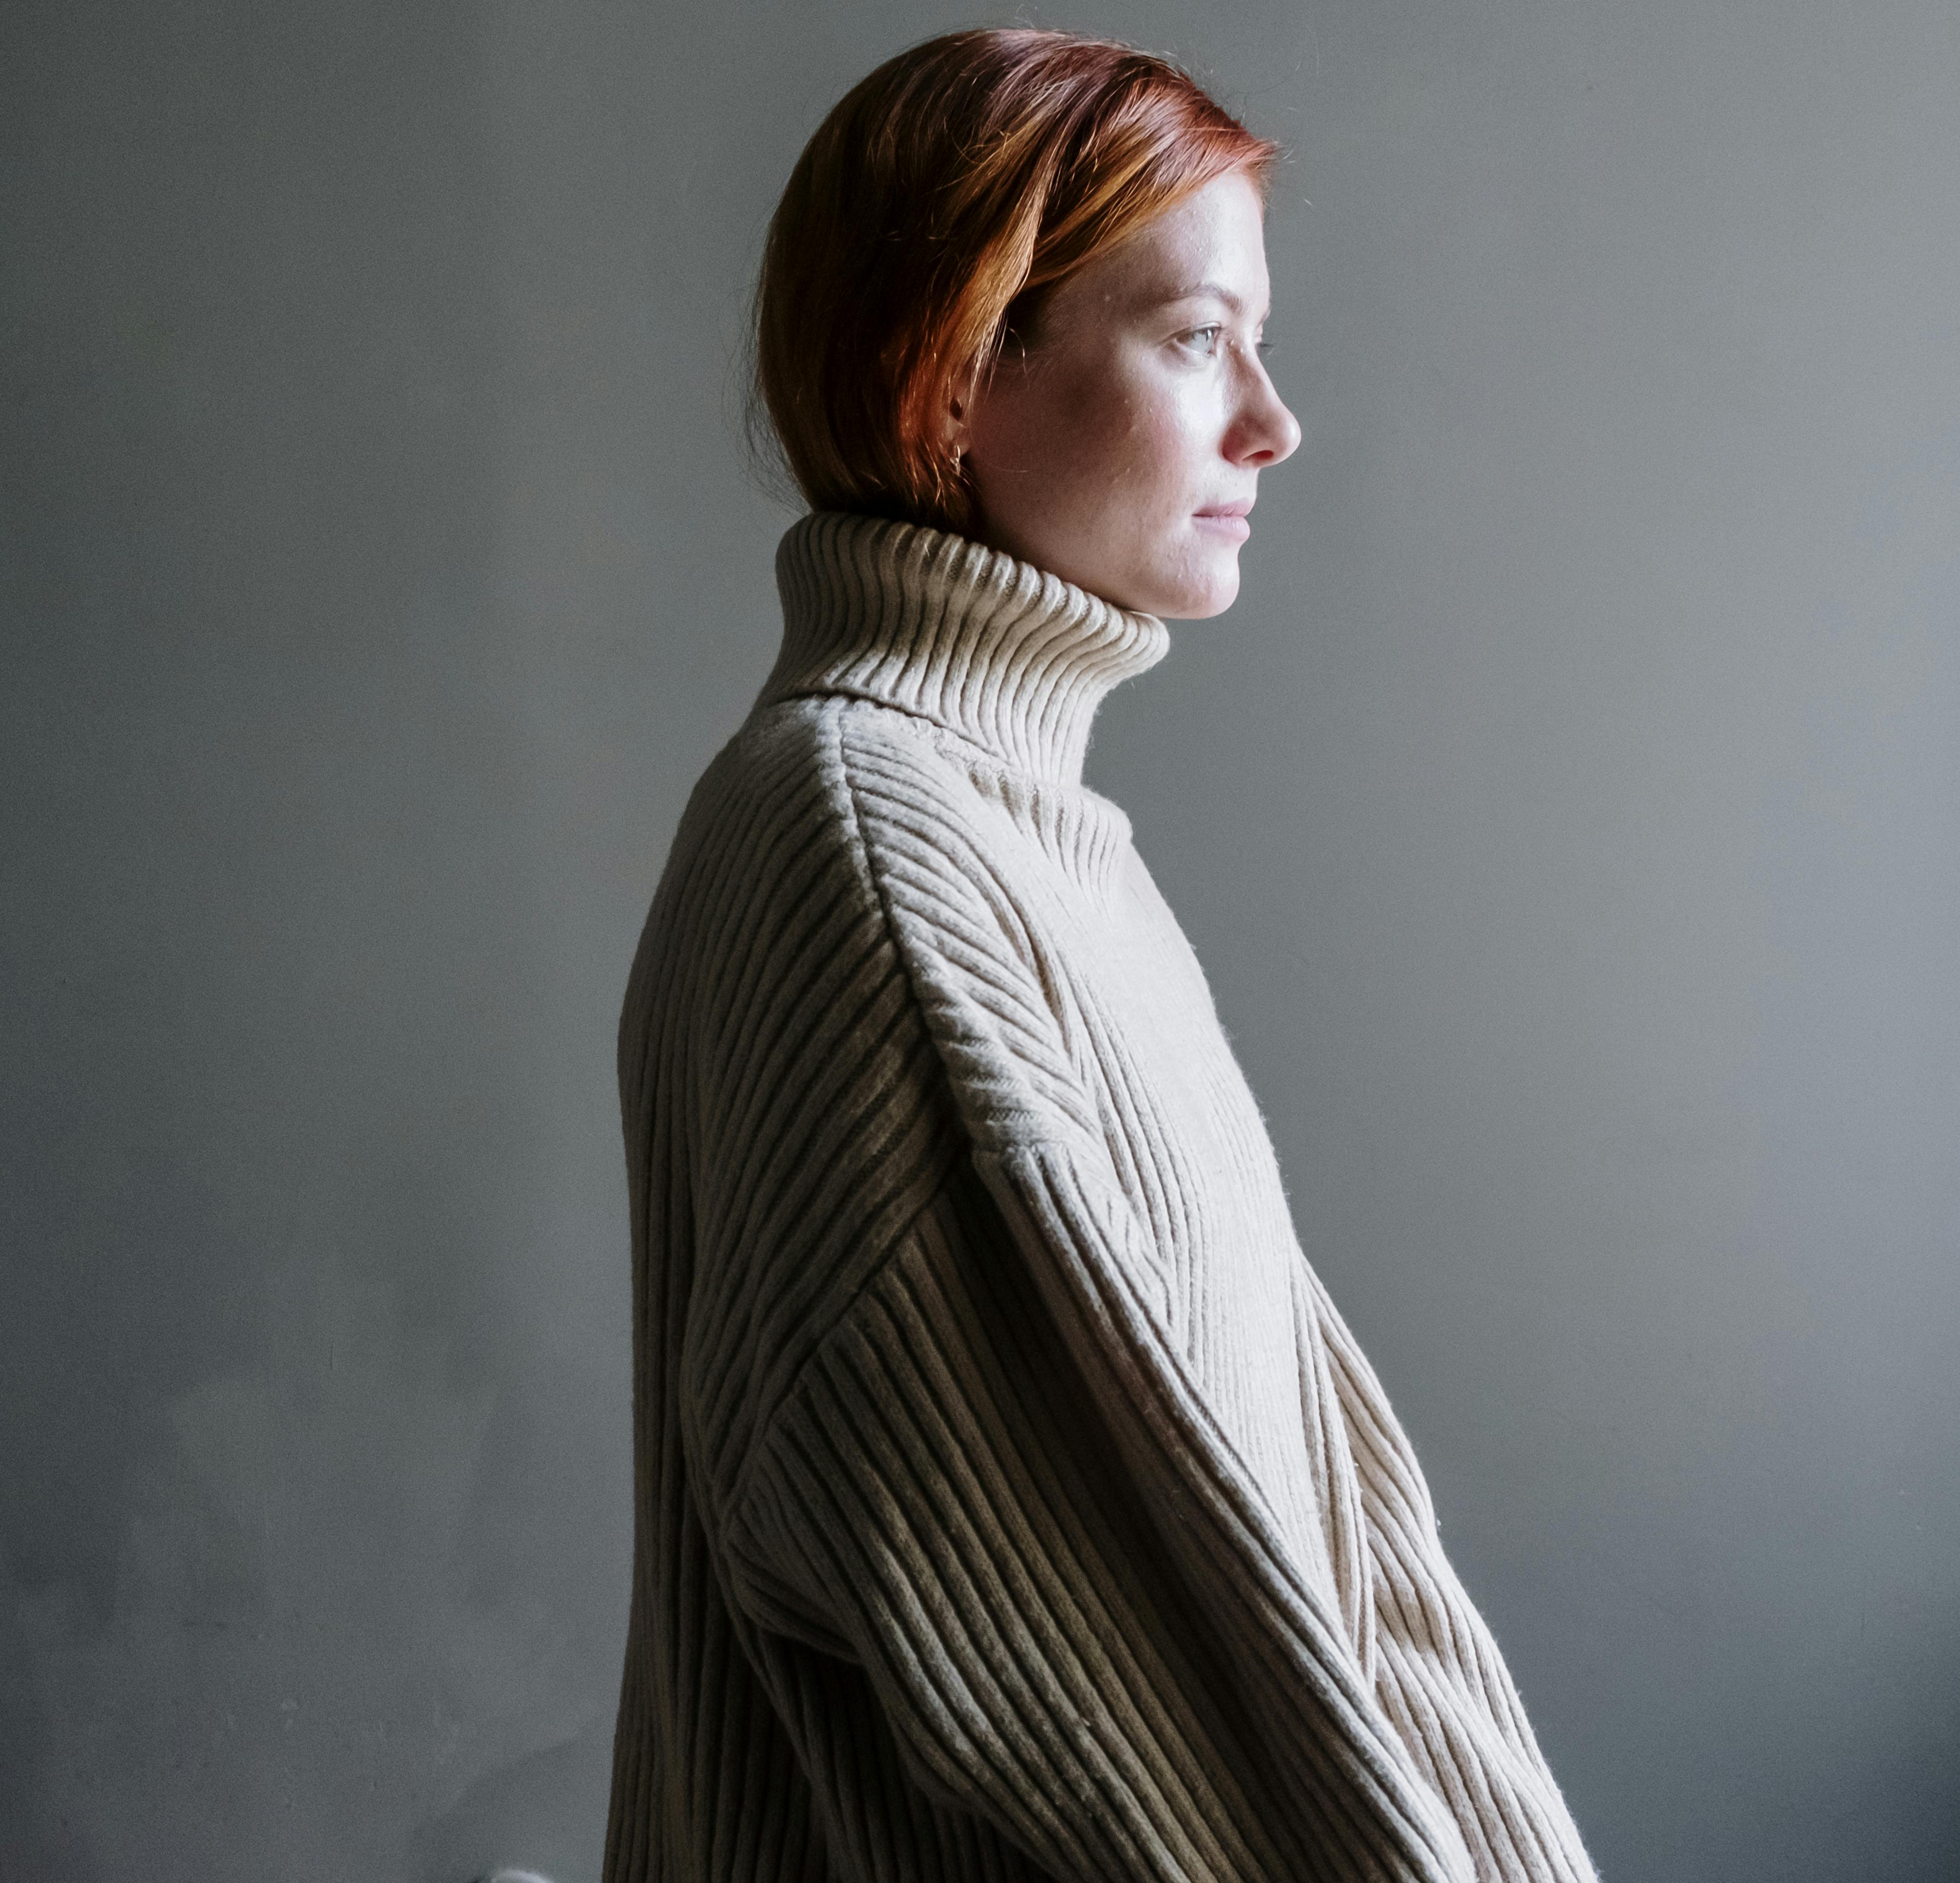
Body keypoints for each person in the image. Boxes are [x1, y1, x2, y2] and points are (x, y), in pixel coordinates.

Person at [604, 29, 1597, 1883]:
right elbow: (1149, 1707)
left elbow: (1329, 1547)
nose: (1271, 424)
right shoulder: (873, 847)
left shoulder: (1013, 829)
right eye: (1198, 336)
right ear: (958, 367)